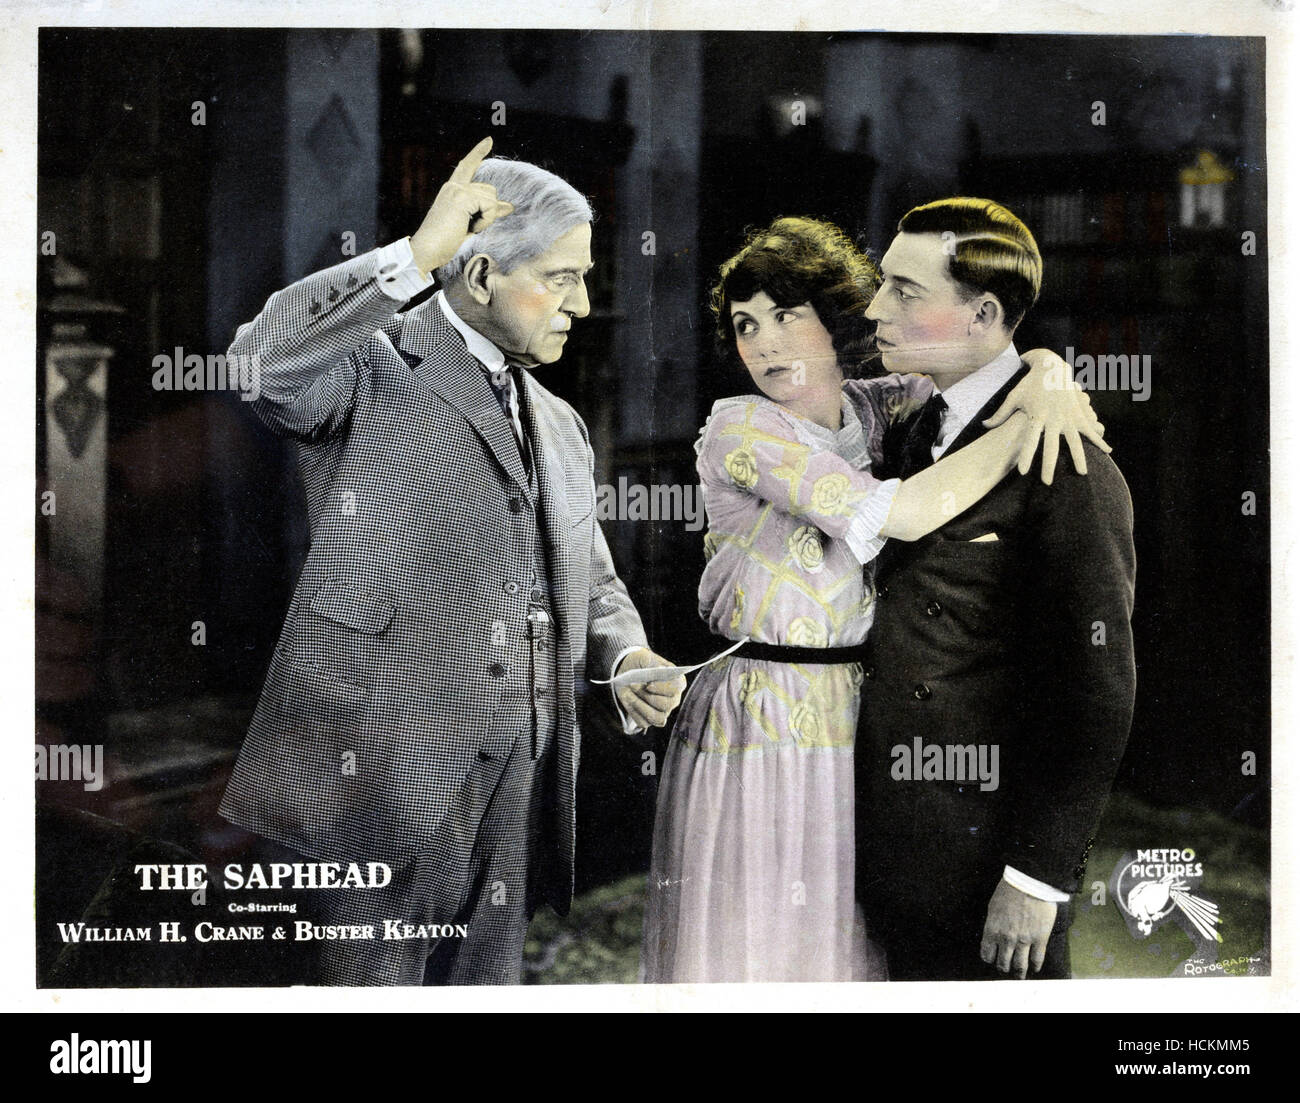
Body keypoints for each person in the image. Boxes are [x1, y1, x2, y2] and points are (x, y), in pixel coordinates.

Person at [219, 139, 687, 986]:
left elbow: (593, 578)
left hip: (527, 777)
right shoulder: (369, 361)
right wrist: (414, 257)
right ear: (477, 276)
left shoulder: (560, 422)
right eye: (562, 277)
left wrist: (625, 653)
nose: (584, 302)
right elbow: (258, 367)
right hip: (376, 778)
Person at [641, 217, 1104, 983]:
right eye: (747, 325)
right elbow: (902, 514)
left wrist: (1049, 371)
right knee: (753, 946)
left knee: (846, 946)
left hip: (857, 714)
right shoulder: (741, 428)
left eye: (787, 315)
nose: (765, 342)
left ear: (834, 320)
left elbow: (990, 362)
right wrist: (1030, 419)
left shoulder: (883, 406)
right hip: (757, 713)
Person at [855, 197, 1137, 981]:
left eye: (905, 291)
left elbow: (1100, 687)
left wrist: (1037, 877)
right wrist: (1046, 366)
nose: (877, 307)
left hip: (985, 870)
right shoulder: (911, 431)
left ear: (982, 312)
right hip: (888, 846)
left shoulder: (1070, 462)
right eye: (884, 284)